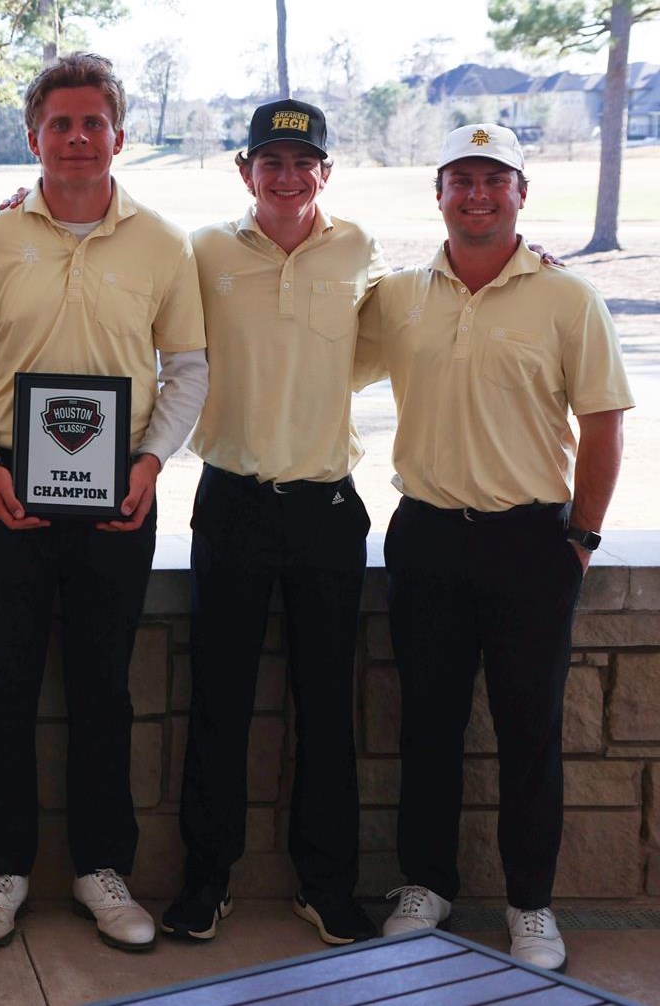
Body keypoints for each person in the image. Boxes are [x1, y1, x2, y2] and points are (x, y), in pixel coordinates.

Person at [0, 52, 206, 954]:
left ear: (119, 136)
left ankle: (101, 869)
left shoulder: (163, 244)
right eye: (61, 123)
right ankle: (1, 871)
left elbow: (187, 368)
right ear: (33, 136)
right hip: (8, 486)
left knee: (104, 688)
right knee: (6, 684)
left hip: (120, 491)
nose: (78, 137)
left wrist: (153, 462)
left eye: (94, 122)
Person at [358, 123, 631, 973]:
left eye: (494, 179)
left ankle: (530, 905)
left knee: (530, 732)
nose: (478, 194)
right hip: (427, 535)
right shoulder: (398, 296)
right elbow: (312, 337)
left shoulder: (567, 298)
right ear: (439, 193)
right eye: (462, 179)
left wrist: (579, 539)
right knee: (427, 725)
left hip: (530, 543)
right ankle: (425, 886)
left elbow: (603, 425)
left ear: (521, 192)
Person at [163, 99, 389, 947]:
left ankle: (326, 886)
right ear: (245, 170)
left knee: (327, 707)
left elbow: (420, 312)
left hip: (327, 507)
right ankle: (207, 880)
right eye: (270, 161)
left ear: (325, 171)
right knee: (218, 700)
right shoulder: (203, 251)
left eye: (303, 163)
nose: (286, 177)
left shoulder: (360, 250)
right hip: (233, 501)